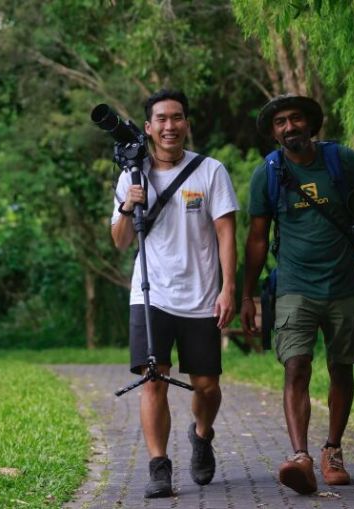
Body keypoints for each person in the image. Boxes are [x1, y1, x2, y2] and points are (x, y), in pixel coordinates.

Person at [239, 95, 354, 495]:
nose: (288, 127)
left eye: (295, 119)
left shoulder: (341, 161)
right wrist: (247, 294)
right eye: (280, 123)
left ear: (310, 124)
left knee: (341, 366)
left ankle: (333, 450)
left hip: (346, 282)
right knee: (296, 365)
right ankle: (300, 457)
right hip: (294, 285)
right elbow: (256, 239)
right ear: (274, 132)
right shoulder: (268, 174)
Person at [110, 89, 239, 498]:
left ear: (186, 123)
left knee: (207, 386)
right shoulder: (131, 175)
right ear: (148, 128)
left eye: (177, 118)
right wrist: (129, 205)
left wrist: (228, 288)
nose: (170, 126)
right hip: (151, 295)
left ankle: (202, 434)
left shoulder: (210, 171)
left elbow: (226, 232)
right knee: (154, 380)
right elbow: (119, 240)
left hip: (201, 295)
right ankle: (158, 466)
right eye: (161, 119)